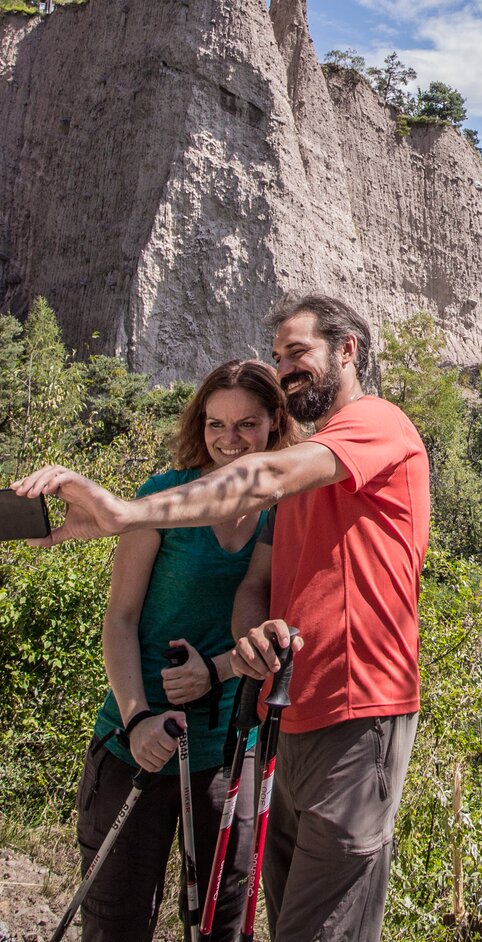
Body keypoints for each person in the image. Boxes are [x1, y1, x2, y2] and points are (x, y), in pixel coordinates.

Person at [18, 293, 430, 942]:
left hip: (353, 713)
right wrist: (248, 641)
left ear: (347, 351)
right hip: (280, 722)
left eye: (299, 353)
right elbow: (258, 587)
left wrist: (124, 512)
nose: (286, 367)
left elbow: (261, 478)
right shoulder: (294, 485)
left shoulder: (376, 426)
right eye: (278, 357)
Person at [76, 359, 297, 942]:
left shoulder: (288, 513)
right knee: (115, 923)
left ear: (275, 423)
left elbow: (285, 624)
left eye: (246, 424)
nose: (228, 440)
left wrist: (216, 671)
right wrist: (137, 718)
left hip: (228, 750)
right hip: (137, 746)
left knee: (220, 928)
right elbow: (119, 622)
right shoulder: (161, 499)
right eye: (215, 424)